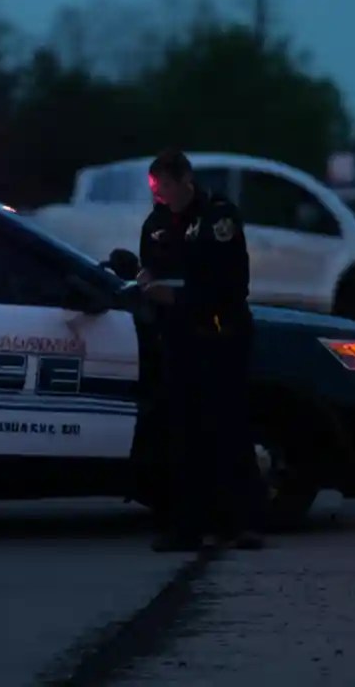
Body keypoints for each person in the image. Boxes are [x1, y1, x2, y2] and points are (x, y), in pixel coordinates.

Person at [136, 148, 266, 552]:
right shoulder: (157, 223)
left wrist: (179, 298)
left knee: (229, 428)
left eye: (164, 186)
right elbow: (151, 265)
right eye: (154, 188)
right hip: (180, 339)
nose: (159, 195)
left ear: (185, 181)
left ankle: (241, 523)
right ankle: (186, 526)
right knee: (182, 433)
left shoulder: (218, 218)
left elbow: (231, 283)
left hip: (221, 335)